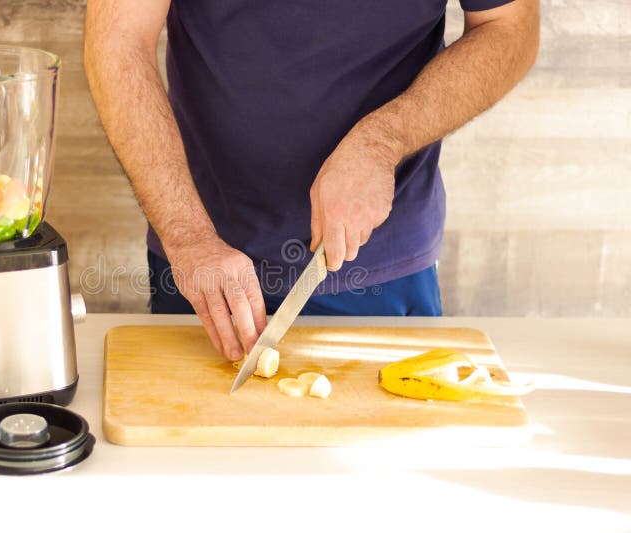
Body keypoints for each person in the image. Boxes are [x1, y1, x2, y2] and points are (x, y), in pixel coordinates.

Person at [84, 0, 539, 361]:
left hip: (377, 258)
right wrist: (188, 236)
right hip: (202, 261)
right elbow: (118, 40)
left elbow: (509, 25)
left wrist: (384, 139)